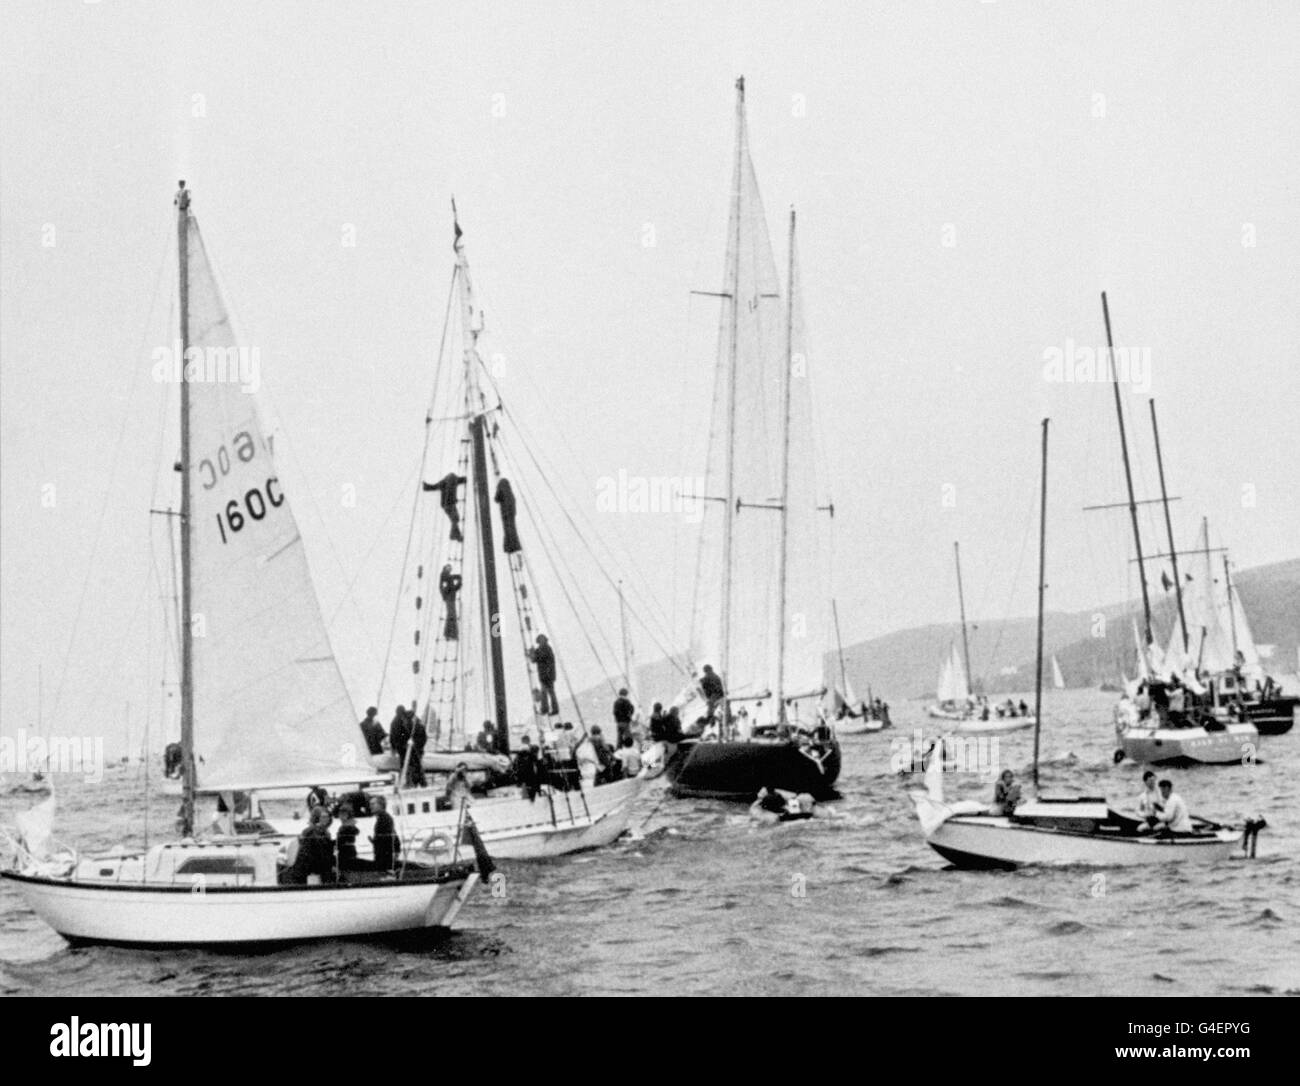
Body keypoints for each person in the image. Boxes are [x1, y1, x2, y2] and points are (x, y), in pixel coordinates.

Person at [281, 805, 337, 885]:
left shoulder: (323, 831)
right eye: (323, 817)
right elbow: (320, 851)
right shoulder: (313, 831)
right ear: (317, 818)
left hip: (312, 864)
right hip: (308, 867)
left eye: (327, 817)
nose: (326, 819)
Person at [422, 471, 467, 542]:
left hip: (448, 504)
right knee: (455, 518)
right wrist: (426, 487)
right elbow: (433, 487)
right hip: (448, 504)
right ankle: (453, 535)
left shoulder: (447, 481)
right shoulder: (447, 481)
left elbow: (433, 487)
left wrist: (426, 487)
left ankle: (456, 535)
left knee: (454, 519)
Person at [531, 634, 559, 716]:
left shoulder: (547, 649)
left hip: (548, 675)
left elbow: (539, 658)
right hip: (544, 675)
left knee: (550, 692)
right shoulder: (540, 649)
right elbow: (534, 659)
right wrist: (532, 654)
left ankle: (552, 709)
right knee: (545, 693)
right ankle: (546, 709)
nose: (541, 642)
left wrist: (532, 654)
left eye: (542, 640)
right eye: (540, 641)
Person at [371, 795, 400, 872]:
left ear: (381, 805)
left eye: (373, 804)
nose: (370, 806)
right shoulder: (382, 818)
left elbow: (389, 837)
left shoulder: (385, 818)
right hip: (383, 854)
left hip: (384, 856)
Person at [336, 803, 368, 874]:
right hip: (349, 850)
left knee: (347, 870)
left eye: (342, 814)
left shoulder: (346, 827)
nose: (340, 817)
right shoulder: (349, 826)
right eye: (340, 814)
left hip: (346, 851)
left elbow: (340, 840)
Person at [495, 477, 523, 554]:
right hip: (511, 514)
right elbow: (513, 503)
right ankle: (514, 546)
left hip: (505, 514)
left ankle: (509, 547)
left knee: (507, 530)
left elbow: (496, 499)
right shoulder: (510, 493)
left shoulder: (500, 487)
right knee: (512, 528)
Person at [439, 564, 463, 640]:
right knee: (451, 614)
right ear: (445, 568)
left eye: (450, 568)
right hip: (449, 598)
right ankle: (449, 634)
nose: (449, 569)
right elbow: (444, 587)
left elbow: (452, 588)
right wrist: (457, 577)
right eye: (448, 568)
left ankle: (450, 634)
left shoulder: (448, 577)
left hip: (451, 598)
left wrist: (459, 584)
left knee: (452, 615)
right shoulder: (444, 576)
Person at [407, 710, 428, 787]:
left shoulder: (414, 726)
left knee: (415, 767)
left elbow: (423, 738)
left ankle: (419, 782)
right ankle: (421, 783)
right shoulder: (419, 725)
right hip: (418, 749)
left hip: (415, 750)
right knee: (417, 766)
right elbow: (425, 738)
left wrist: (417, 745)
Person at [390, 706, 412, 770]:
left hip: (397, 744)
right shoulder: (399, 720)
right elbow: (401, 733)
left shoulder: (396, 720)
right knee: (403, 760)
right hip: (400, 744)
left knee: (402, 760)